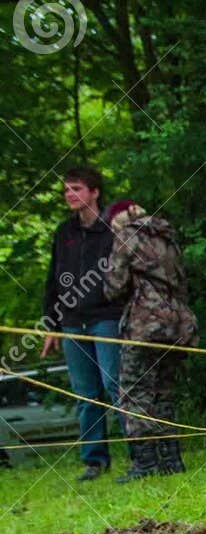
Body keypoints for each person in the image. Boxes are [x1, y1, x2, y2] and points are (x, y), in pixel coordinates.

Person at [101, 200, 199, 482]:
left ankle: (145, 464)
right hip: (176, 321)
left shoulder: (126, 236)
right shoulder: (167, 236)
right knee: (164, 390)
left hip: (145, 323)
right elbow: (181, 283)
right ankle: (172, 459)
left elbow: (114, 286)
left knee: (134, 391)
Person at [41, 166, 125, 481]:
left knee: (115, 385)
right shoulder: (64, 232)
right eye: (66, 190)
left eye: (76, 188)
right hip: (72, 321)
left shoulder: (113, 228)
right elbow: (52, 280)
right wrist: (51, 325)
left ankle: (138, 453)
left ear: (94, 192)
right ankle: (94, 460)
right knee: (85, 393)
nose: (70, 195)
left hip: (107, 317)